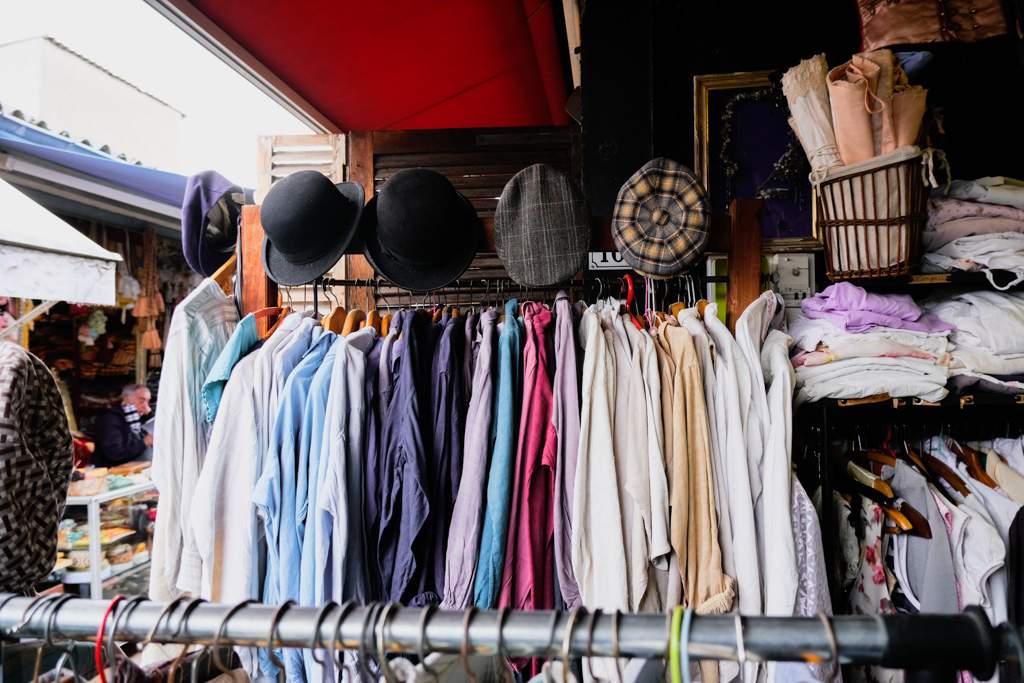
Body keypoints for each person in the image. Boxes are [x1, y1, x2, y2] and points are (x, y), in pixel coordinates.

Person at [92, 384, 154, 467]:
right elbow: (114, 453)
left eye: (148, 402)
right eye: (141, 401)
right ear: (127, 400)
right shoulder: (111, 421)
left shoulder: (137, 418)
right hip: (115, 473)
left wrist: (150, 415)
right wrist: (143, 443)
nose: (146, 407)